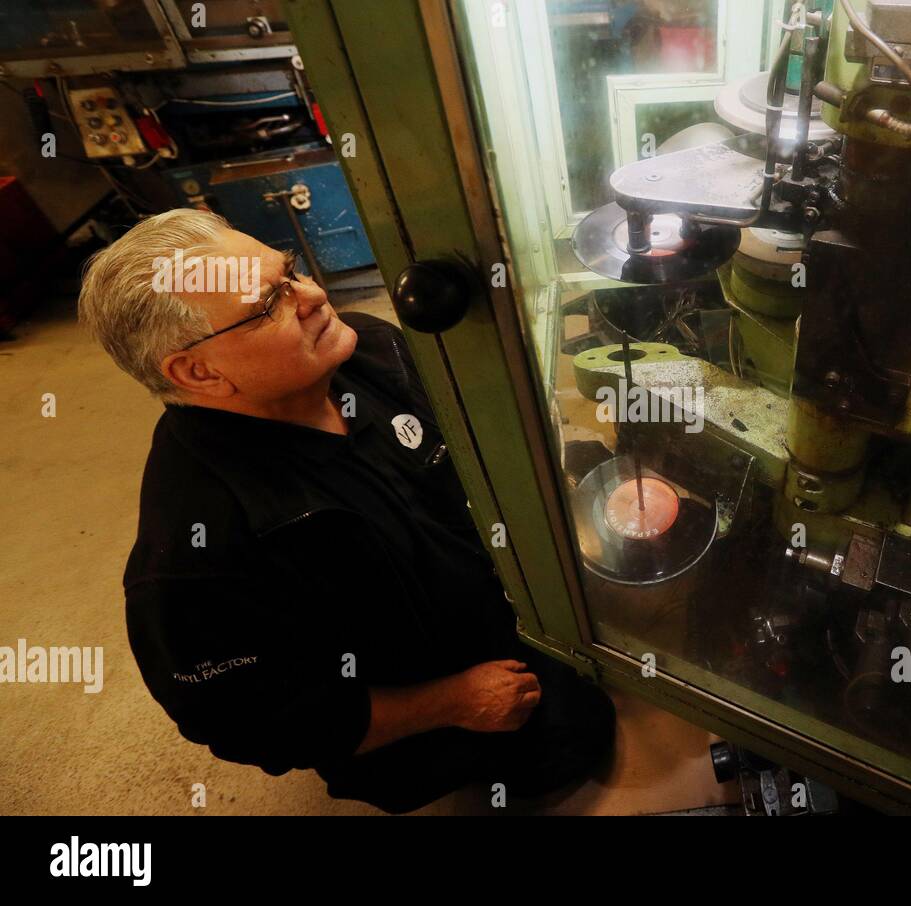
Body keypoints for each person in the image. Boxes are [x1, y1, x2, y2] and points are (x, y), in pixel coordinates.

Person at [78, 208, 615, 813]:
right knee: (573, 747)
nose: (310, 295)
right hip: (453, 715)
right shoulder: (197, 553)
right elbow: (243, 721)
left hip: (526, 616)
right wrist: (452, 702)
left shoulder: (373, 350)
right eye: (268, 305)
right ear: (198, 371)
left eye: (291, 273)